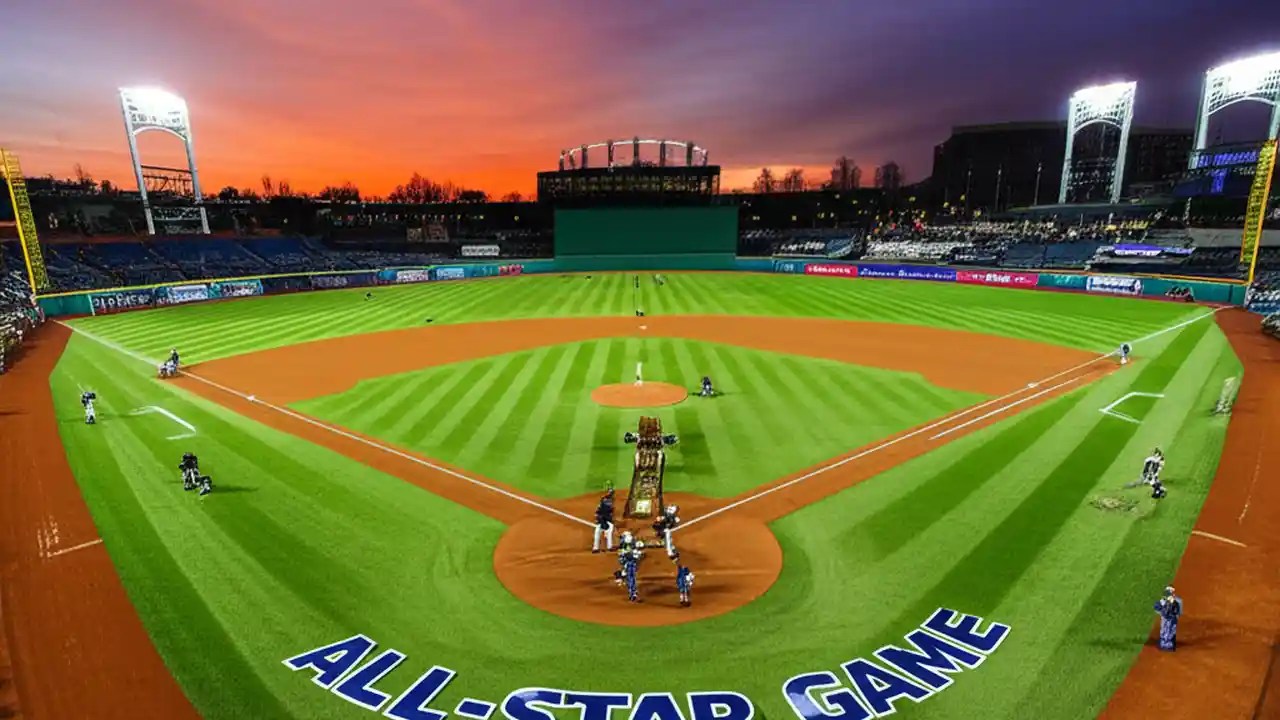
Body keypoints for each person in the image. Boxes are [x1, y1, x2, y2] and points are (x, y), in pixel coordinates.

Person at [1153, 586, 1182, 651]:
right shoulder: (1163, 601)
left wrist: (1171, 604)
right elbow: (1157, 608)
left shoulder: (1176, 602)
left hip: (1171, 618)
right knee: (1166, 629)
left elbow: (1177, 612)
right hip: (1167, 618)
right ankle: (1166, 643)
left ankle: (1168, 643)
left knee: (1170, 629)